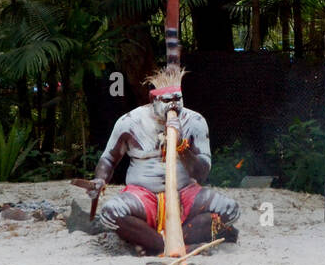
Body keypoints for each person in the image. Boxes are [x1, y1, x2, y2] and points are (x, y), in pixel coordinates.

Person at [89, 66, 240, 255]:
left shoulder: (195, 121)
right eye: (167, 100)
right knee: (110, 213)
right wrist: (100, 180)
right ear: (153, 100)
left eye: (178, 99)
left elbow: (201, 173)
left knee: (230, 210)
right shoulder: (130, 122)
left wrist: (180, 146)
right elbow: (109, 159)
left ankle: (153, 243)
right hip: (142, 197)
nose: (174, 106)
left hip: (185, 194)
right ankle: (174, 246)